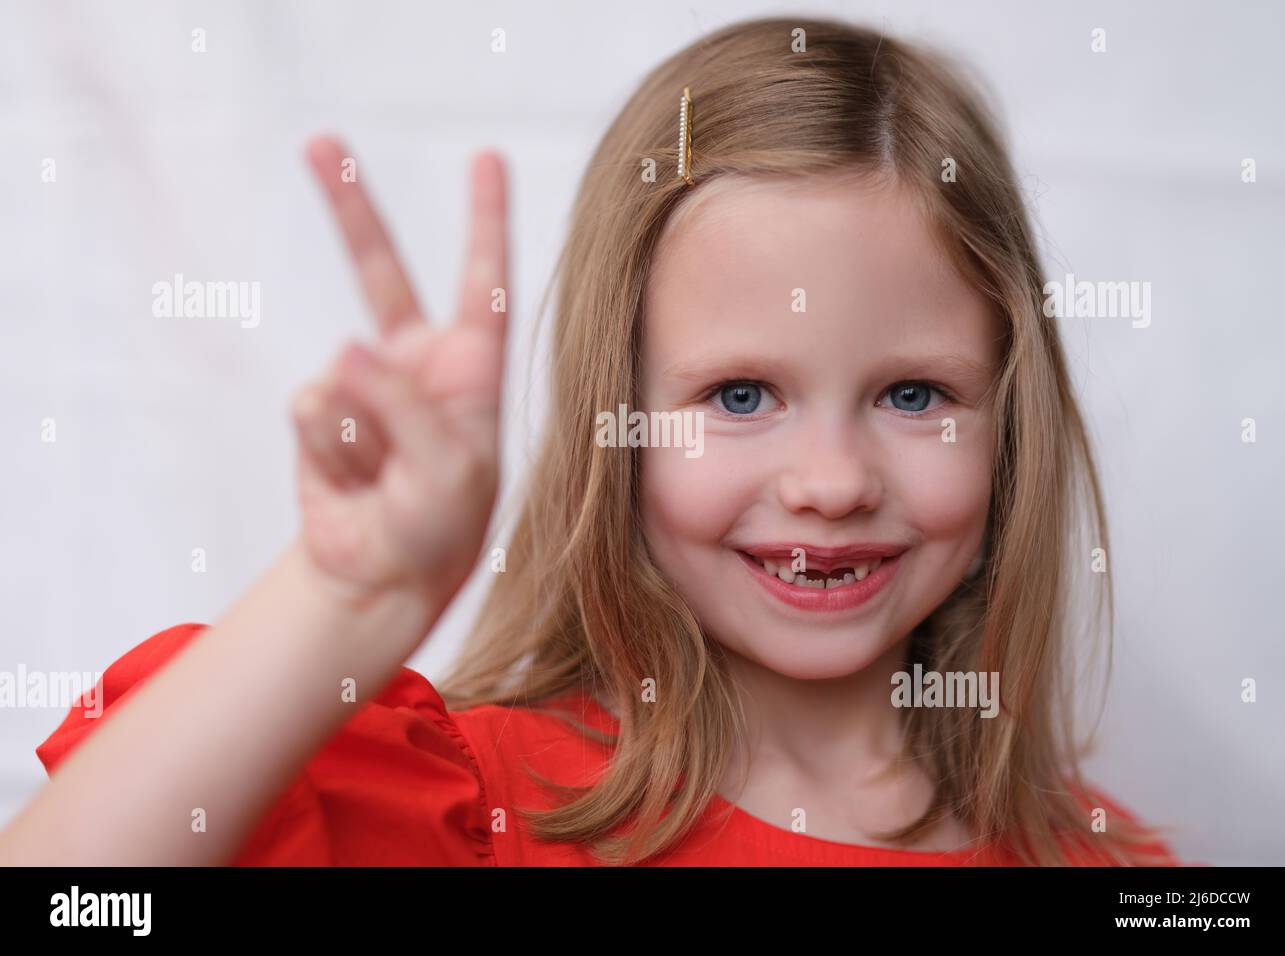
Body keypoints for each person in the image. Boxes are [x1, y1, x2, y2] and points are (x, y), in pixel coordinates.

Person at [0, 15, 1179, 866]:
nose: (831, 482)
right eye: (738, 394)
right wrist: (347, 594)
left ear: (1011, 418)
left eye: (913, 395)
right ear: (615, 421)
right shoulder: (476, 806)